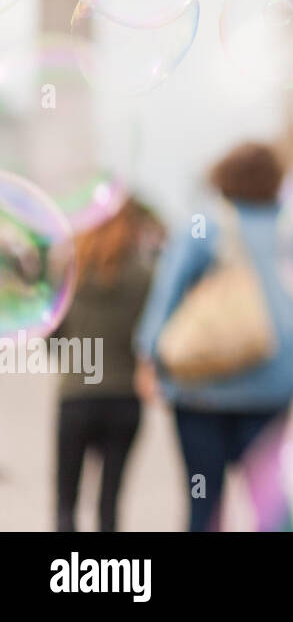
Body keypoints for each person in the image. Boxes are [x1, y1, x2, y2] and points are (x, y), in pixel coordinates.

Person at [134, 143, 293, 532]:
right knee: (273, 503)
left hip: (201, 388)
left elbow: (168, 293)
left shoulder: (204, 224)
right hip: (274, 385)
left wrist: (148, 359)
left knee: (203, 501)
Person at [55, 199, 162, 532]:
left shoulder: (72, 273)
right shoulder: (144, 276)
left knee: (66, 501)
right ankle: (110, 576)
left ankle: (68, 575)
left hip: (76, 396)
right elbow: (151, 336)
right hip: (124, 396)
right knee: (110, 501)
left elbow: (52, 333)